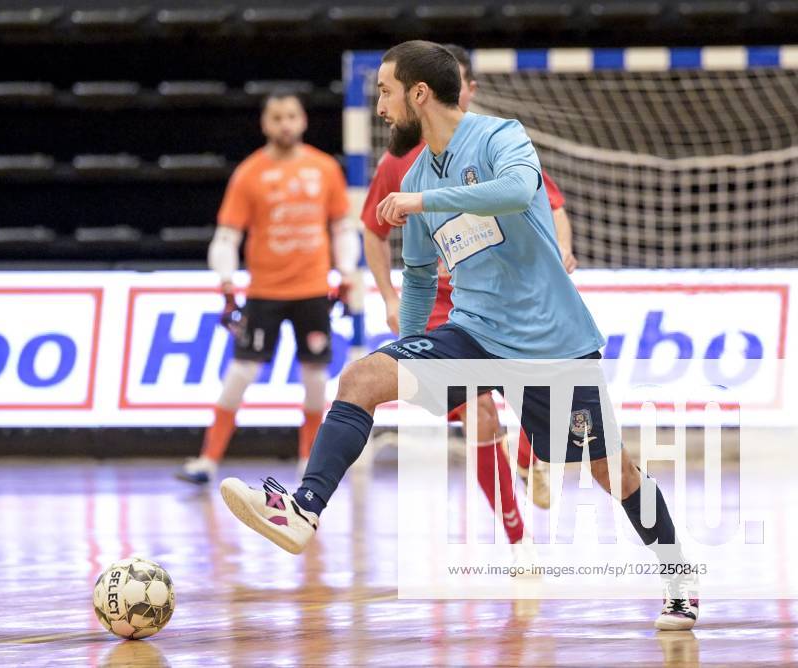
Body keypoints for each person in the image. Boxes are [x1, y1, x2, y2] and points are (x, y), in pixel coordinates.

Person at [219, 42, 698, 631]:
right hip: (473, 334)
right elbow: (418, 275)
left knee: (610, 472)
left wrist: (424, 200)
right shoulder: (417, 172)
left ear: (419, 93)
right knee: (362, 376)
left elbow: (518, 192)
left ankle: (679, 576)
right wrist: (409, 352)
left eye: (387, 92)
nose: (380, 106)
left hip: (552, 343)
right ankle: (303, 510)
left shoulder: (500, 138)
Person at [361, 44, 575, 515]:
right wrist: (390, 299)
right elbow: (373, 234)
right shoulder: (401, 165)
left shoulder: (500, 143)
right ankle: (517, 540)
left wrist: (562, 249)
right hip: (449, 311)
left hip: (517, 302)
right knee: (479, 417)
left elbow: (548, 201)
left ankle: (530, 454)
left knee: (549, 414)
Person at [177, 92, 359, 485]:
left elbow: (342, 228)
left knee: (314, 376)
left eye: (291, 116)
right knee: (241, 372)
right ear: (265, 124)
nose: (285, 125)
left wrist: (346, 272)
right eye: (277, 118)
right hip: (264, 292)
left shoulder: (325, 168)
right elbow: (227, 237)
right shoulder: (249, 173)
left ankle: (308, 462)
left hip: (312, 289)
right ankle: (207, 461)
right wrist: (225, 283)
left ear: (304, 120)